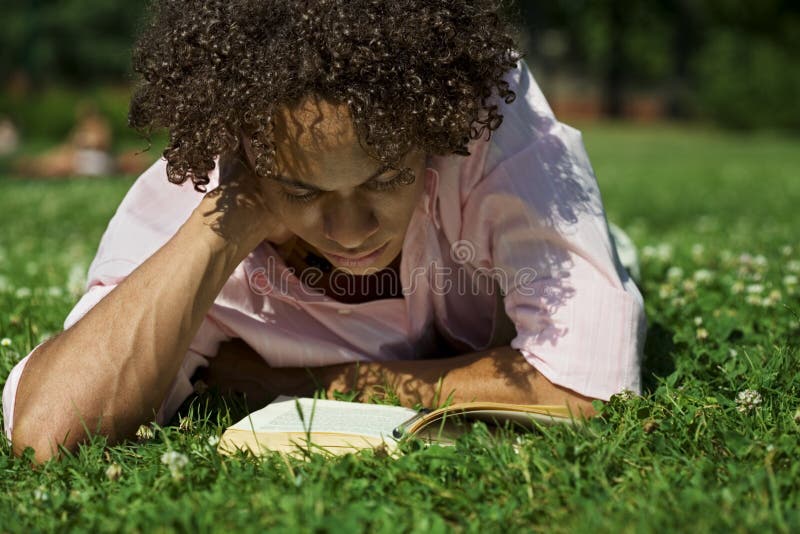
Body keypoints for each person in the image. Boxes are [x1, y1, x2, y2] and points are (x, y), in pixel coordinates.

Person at [2, 0, 647, 462]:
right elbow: (51, 433)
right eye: (304, 189)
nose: (350, 230)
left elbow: (588, 389)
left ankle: (610, 256)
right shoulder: (213, 174)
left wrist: (303, 385)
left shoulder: (487, 116)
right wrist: (230, 224)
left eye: (386, 177)